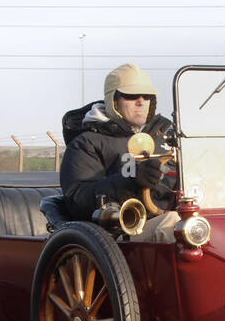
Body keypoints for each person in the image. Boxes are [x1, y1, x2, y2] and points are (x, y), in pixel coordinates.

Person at [58, 63, 176, 221]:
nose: (141, 102)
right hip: (125, 230)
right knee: (176, 226)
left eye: (147, 96)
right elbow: (78, 201)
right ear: (113, 99)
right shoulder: (87, 143)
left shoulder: (167, 133)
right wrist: (132, 180)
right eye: (131, 96)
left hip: (183, 216)